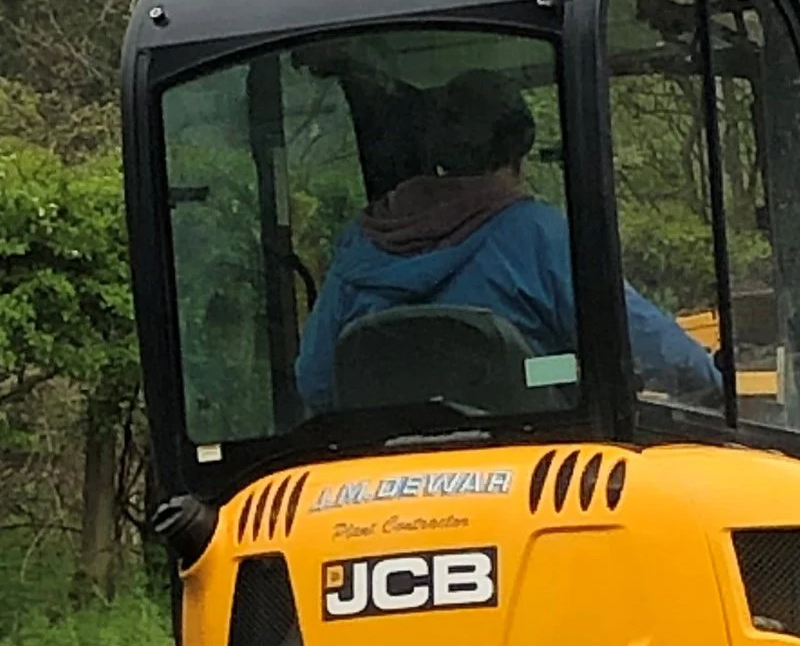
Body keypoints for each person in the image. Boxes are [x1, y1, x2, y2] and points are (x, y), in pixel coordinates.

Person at [296, 69, 723, 412]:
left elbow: (315, 381)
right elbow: (637, 340)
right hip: (527, 467)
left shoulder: (365, 239)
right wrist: (711, 381)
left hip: (378, 480)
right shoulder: (536, 234)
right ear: (518, 153)